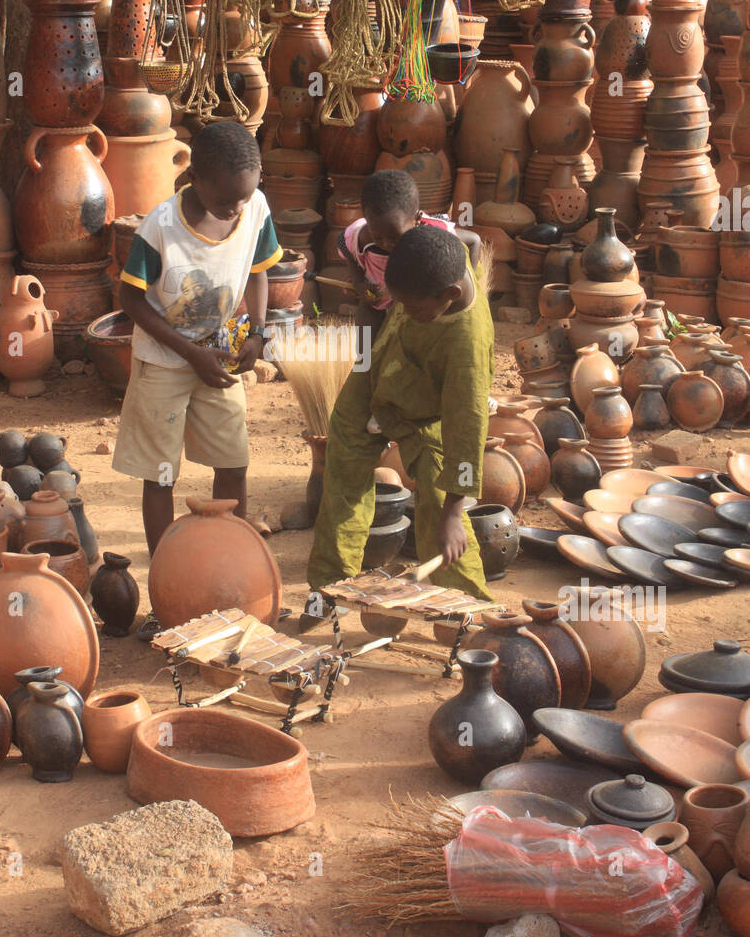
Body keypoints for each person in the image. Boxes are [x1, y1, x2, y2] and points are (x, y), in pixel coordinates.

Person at [114, 120, 282, 561]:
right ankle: (166, 570)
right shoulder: (160, 228)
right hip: (164, 363)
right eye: (224, 200)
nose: (235, 209)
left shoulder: (254, 207)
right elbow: (129, 299)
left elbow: (260, 268)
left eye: (244, 197)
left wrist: (259, 331)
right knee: (162, 473)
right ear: (194, 179)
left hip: (219, 357)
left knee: (233, 462)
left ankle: (233, 561)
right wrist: (189, 353)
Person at [308, 224, 495, 601]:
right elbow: (469, 239)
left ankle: (464, 608)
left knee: (441, 507)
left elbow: (466, 430)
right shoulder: (437, 254)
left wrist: (456, 514)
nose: (405, 311)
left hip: (425, 414)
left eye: (414, 308)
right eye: (401, 303)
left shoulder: (467, 348)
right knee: (342, 471)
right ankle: (329, 591)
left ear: (450, 295)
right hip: (379, 375)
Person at [338, 170, 482, 337]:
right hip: (378, 303)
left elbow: (473, 240)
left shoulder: (434, 236)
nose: (386, 244)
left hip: (418, 307)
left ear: (417, 219)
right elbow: (346, 249)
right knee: (366, 352)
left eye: (394, 237)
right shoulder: (361, 237)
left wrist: (466, 283)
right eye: (378, 237)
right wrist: (359, 284)